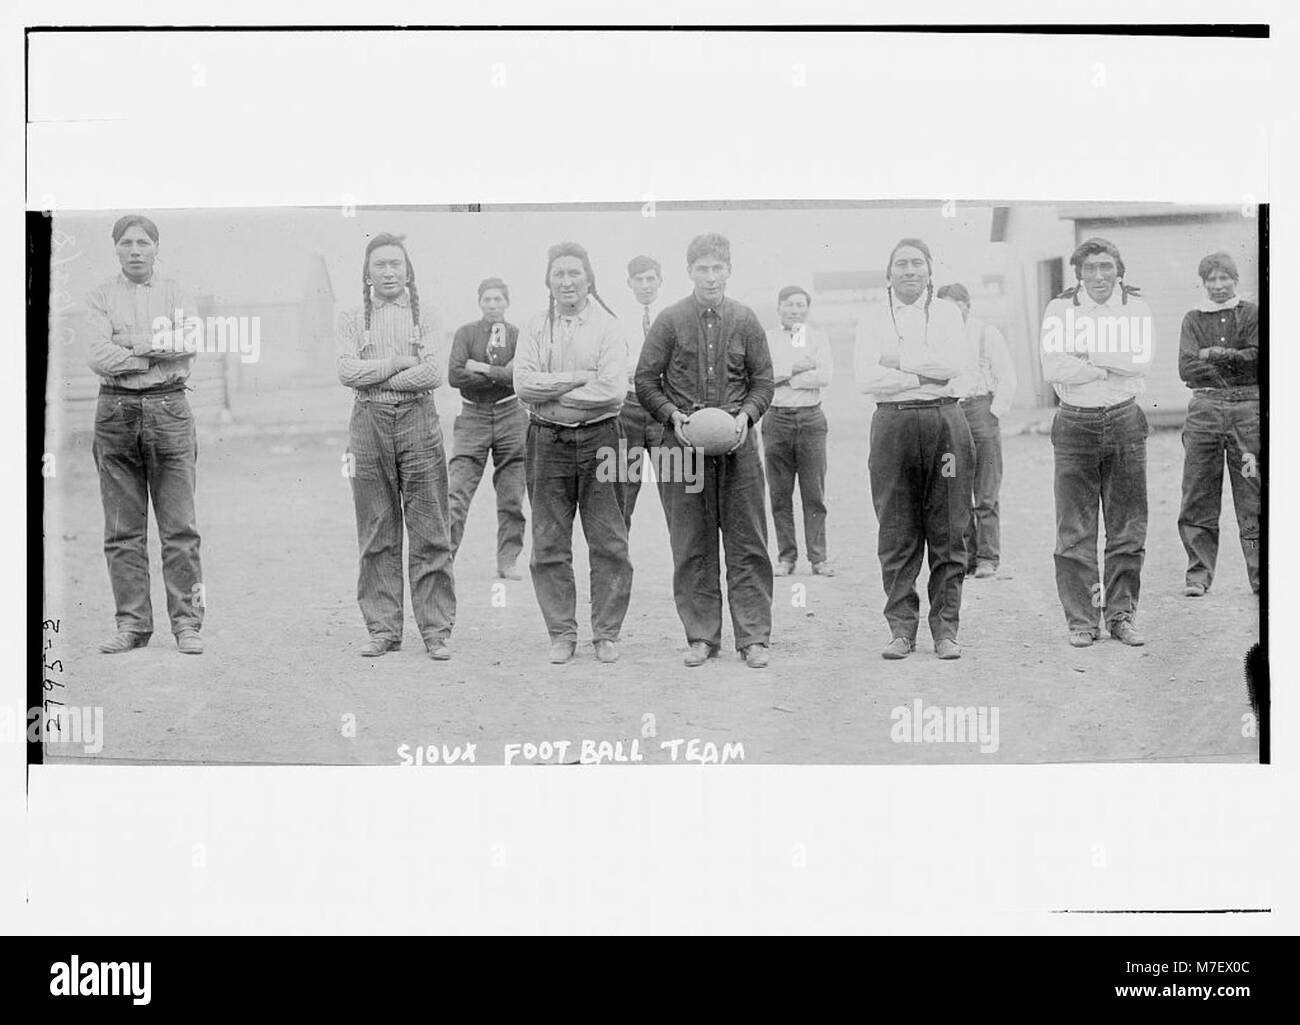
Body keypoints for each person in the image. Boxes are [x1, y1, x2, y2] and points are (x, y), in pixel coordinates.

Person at [635, 233, 775, 668]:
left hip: (738, 447)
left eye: (718, 268)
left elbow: (764, 382)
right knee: (692, 545)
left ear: (729, 271)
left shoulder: (747, 319)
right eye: (702, 268)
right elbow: (645, 380)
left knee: (747, 543)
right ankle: (701, 637)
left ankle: (753, 638)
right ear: (690, 271)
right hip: (682, 451)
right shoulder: (670, 320)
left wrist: (745, 416)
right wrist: (672, 416)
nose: (711, 277)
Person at [85, 214, 205, 655]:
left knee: (180, 528)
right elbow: (98, 354)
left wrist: (127, 345)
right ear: (115, 248)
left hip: (169, 409)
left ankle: (188, 624)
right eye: (126, 243)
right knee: (122, 530)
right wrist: (150, 351)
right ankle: (132, 625)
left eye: (143, 242)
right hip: (115, 410)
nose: (135, 250)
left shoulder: (176, 292)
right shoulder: (98, 296)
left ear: (156, 247)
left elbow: (189, 340)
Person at [337, 233, 456, 660]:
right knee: (376, 531)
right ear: (367, 274)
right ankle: (383, 629)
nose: (389, 272)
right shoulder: (351, 317)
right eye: (380, 265)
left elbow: (431, 375)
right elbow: (347, 370)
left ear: (408, 272)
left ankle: (436, 631)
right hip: (367, 422)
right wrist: (395, 364)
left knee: (430, 530)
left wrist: (379, 376)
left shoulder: (427, 315)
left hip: (418, 421)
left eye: (396, 265)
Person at [855, 238, 974, 660]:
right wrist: (921, 373)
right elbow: (866, 379)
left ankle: (945, 630)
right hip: (892, 425)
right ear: (889, 274)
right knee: (896, 529)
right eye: (901, 264)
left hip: (944, 422)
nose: (909, 271)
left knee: (948, 528)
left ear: (929, 271)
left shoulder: (945, 313)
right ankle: (901, 629)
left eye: (917, 264)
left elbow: (952, 368)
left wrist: (897, 361)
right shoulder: (871, 318)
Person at [513, 242, 632, 665]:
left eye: (574, 274)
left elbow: (613, 390)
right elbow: (523, 385)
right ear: (548, 280)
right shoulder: (533, 327)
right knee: (548, 543)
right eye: (558, 274)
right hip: (547, 441)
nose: (566, 282)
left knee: (609, 542)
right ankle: (561, 633)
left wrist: (555, 391)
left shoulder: (607, 326)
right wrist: (579, 379)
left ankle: (606, 634)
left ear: (589, 279)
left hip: (601, 439)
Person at [1039, 237, 1152, 648]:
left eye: (1106, 267)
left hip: (1124, 421)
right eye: (1090, 269)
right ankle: (1083, 620)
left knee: (1126, 527)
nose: (1099, 276)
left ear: (1118, 270)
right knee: (1075, 531)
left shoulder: (1134, 309)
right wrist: (1110, 363)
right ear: (1079, 273)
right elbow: (1053, 365)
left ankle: (1121, 616)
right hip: (1075, 424)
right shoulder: (1060, 309)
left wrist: (1087, 360)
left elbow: (1139, 361)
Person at [1176, 251, 1260, 597]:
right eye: (1211, 279)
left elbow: (1258, 361)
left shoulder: (1253, 314)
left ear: (1235, 280)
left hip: (1247, 409)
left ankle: (1260, 576)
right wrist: (1235, 361)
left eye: (1224, 278)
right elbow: (1187, 368)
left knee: (1252, 492)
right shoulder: (1193, 318)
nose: (1218, 285)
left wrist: (1215, 354)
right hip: (1205, 409)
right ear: (1204, 283)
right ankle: (1198, 574)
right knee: (1198, 493)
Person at [446, 277, 527, 580]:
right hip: (472, 416)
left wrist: (479, 368)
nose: (493, 305)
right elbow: (455, 375)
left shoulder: (519, 335)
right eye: (487, 300)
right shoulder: (466, 333)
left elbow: (517, 376)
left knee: (512, 497)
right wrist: (499, 375)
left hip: (511, 415)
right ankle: (445, 559)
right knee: (456, 493)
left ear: (507, 302)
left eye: (498, 300)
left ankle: (508, 561)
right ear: (479, 302)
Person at [937, 283, 1018, 579]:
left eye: (954, 305)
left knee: (985, 490)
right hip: (948, 415)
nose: (949, 313)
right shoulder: (937, 337)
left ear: (967, 305)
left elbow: (1007, 377)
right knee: (951, 485)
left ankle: (987, 557)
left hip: (981, 412)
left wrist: (993, 413)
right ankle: (964, 557)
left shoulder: (986, 333)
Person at [763, 285, 834, 577]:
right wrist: (797, 369)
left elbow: (824, 375)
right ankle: (786, 557)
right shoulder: (766, 339)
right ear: (779, 307)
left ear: (807, 308)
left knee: (813, 492)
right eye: (789, 305)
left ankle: (818, 558)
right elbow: (765, 376)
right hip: (776, 419)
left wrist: (785, 376)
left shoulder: (818, 338)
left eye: (800, 305)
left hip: (810, 419)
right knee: (780, 493)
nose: (795, 310)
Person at [617, 255, 667, 529]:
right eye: (639, 279)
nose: (645, 285)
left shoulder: (673, 315)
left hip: (665, 410)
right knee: (620, 491)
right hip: (628, 410)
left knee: (680, 488)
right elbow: (614, 363)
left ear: (660, 281)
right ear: (629, 283)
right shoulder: (617, 319)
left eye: (651, 279)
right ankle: (615, 568)